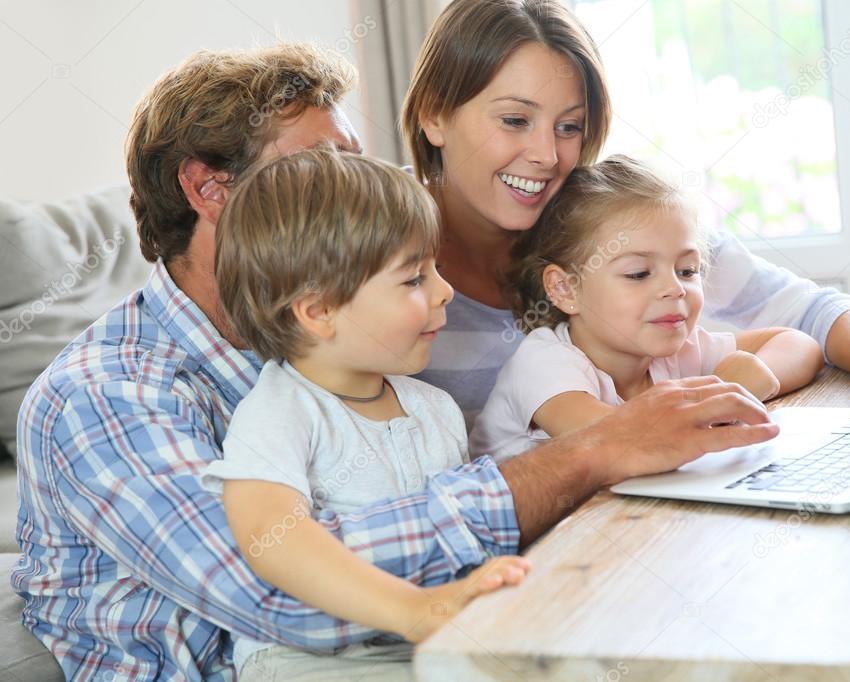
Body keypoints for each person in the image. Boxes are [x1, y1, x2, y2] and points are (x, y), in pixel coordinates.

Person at [13, 43, 776, 681]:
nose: (364, 192)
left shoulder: (358, 348)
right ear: (211, 189)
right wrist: (583, 455)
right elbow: (274, 588)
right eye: (321, 169)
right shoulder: (103, 394)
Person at [401, 0, 850, 431]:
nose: (548, 155)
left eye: (569, 126)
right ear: (434, 115)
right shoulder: (374, 254)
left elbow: (819, 315)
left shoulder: (622, 226)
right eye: (514, 120)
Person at [205, 148, 531, 677]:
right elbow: (271, 535)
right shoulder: (282, 410)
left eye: (436, 269)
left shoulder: (435, 407)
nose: (445, 291)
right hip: (310, 661)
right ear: (319, 312)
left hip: (424, 640)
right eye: (413, 279)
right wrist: (412, 610)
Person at [471, 155, 824, 460]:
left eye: (687, 271)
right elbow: (621, 440)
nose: (674, 289)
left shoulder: (676, 350)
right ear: (565, 289)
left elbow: (801, 344)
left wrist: (744, 380)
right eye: (639, 274)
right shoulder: (544, 363)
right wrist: (717, 398)